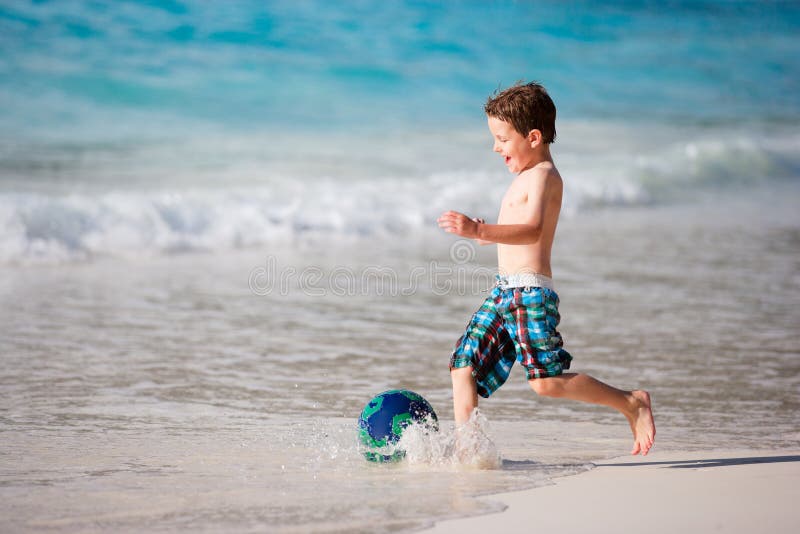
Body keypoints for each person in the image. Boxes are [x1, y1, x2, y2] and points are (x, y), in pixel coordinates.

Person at [437, 82, 656, 455]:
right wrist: (485, 234)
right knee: (463, 365)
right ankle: (467, 451)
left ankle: (631, 402)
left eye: (502, 139)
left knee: (546, 381)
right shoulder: (524, 177)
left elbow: (534, 230)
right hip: (504, 291)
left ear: (533, 137)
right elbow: (515, 232)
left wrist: (478, 230)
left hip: (530, 292)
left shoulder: (545, 176)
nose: (495, 148)